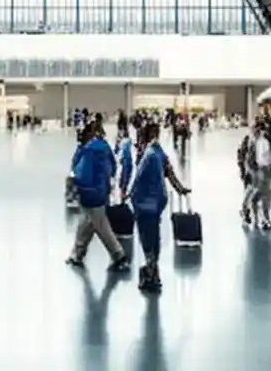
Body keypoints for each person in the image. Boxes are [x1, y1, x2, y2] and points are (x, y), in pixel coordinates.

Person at [66, 122, 130, 273]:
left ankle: (118, 255)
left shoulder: (87, 150)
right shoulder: (105, 147)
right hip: (102, 190)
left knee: (100, 225)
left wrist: (76, 186)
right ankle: (77, 254)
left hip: (89, 192)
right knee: (86, 223)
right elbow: (113, 167)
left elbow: (80, 171)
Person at [129, 123, 183, 292]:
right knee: (154, 236)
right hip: (157, 202)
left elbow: (136, 178)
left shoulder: (146, 154)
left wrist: (128, 193)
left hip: (144, 203)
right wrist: (180, 188)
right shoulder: (158, 153)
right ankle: (153, 269)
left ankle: (150, 270)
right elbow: (169, 172)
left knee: (146, 236)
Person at [238, 125, 271, 229]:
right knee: (260, 192)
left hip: (259, 170)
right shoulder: (256, 142)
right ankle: (259, 216)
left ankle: (255, 215)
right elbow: (262, 158)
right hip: (258, 170)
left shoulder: (261, 141)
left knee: (258, 192)